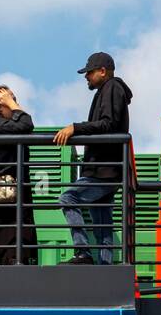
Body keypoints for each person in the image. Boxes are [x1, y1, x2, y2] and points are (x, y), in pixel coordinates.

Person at [55, 52, 132, 265]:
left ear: (102, 71)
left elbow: (108, 124)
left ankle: (83, 252)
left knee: (67, 198)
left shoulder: (112, 88)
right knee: (102, 225)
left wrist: (75, 128)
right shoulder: (109, 90)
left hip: (104, 170)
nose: (86, 77)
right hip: (107, 170)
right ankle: (105, 268)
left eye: (89, 73)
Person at [0, 85, 38, 265]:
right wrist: (14, 106)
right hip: (7, 199)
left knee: (15, 233)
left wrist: (12, 104)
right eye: (10, 99)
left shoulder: (4, 126)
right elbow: (28, 124)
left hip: (11, 196)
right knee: (9, 236)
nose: (15, 102)